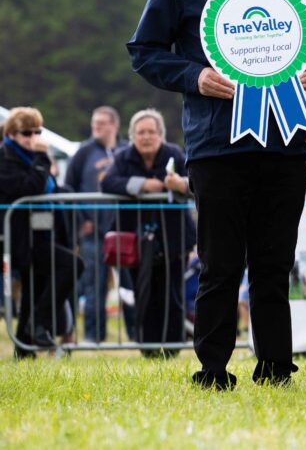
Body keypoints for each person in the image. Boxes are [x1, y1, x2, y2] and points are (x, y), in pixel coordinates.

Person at [127, 0, 306, 389]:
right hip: (217, 144)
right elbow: (145, 52)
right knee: (219, 265)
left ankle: (276, 367)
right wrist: (195, 77)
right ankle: (212, 370)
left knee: (274, 263)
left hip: (284, 142)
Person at [101, 109, 196, 356]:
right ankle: (147, 348)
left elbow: (194, 182)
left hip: (173, 240)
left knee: (172, 295)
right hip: (134, 241)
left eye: (151, 132)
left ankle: (172, 348)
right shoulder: (123, 157)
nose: (146, 137)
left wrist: (181, 185)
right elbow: (108, 183)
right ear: (132, 136)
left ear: (160, 135)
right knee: (143, 296)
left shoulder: (173, 153)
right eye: (141, 132)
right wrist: (144, 185)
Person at [0, 107, 82, 358]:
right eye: (27, 132)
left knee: (33, 288)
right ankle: (39, 323)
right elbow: (29, 189)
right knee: (72, 265)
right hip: (21, 237)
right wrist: (41, 160)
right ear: (12, 133)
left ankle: (24, 349)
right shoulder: (7, 158)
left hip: (44, 233)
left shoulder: (31, 157)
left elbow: (51, 188)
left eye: (37, 131)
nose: (33, 137)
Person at [64, 105, 125, 343]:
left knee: (131, 285)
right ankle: (93, 336)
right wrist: (82, 219)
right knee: (94, 286)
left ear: (114, 125)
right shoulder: (84, 151)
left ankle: (138, 336)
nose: (96, 127)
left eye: (101, 123)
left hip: (123, 228)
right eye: (94, 123)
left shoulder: (125, 149)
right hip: (93, 231)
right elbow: (69, 187)